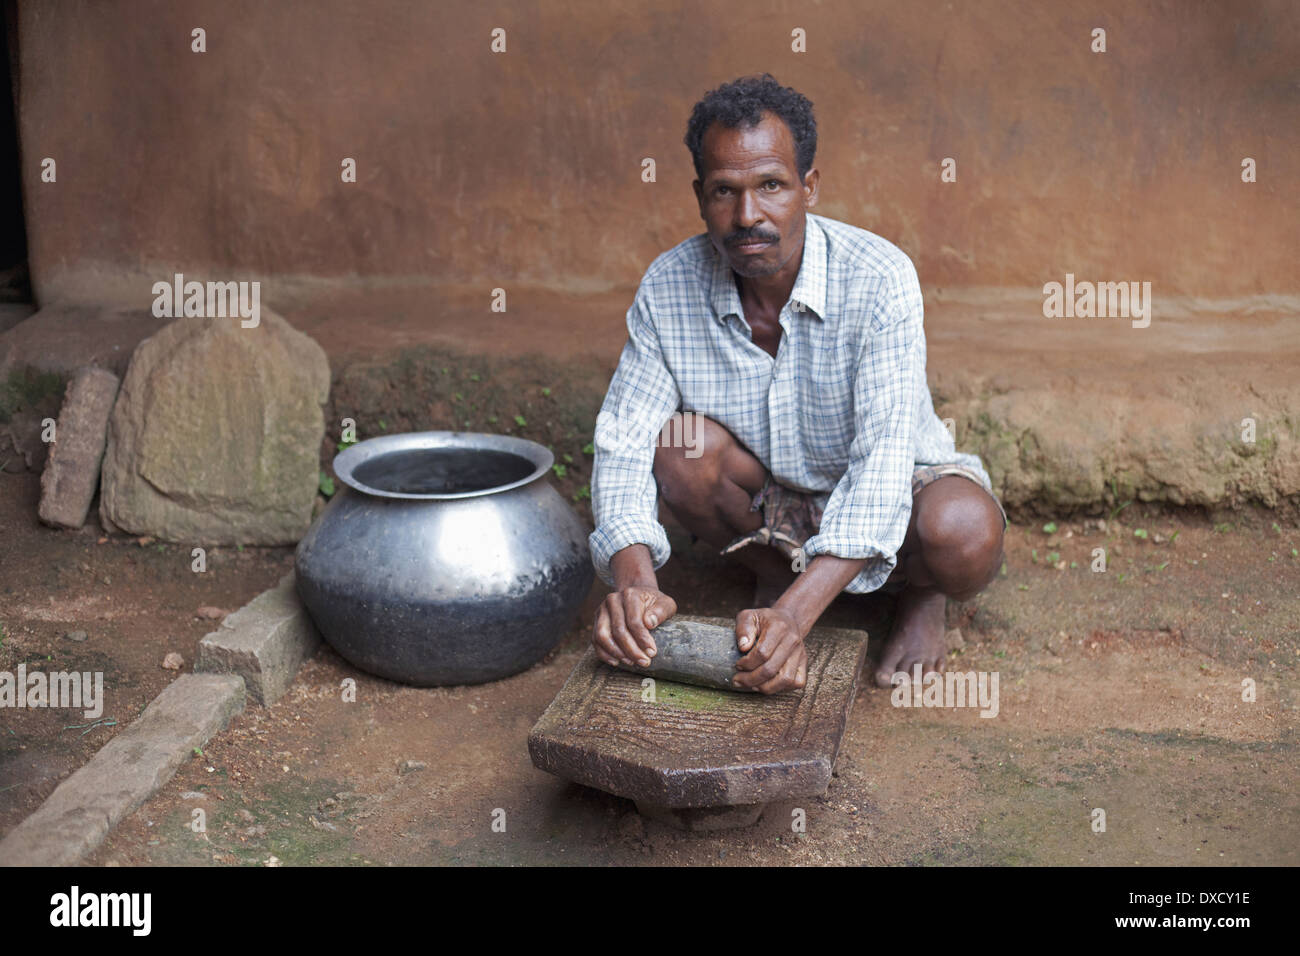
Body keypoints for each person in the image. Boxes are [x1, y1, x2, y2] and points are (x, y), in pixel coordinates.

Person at [588, 74, 1006, 695]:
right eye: (725, 192)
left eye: (771, 186)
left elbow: (882, 465)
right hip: (771, 493)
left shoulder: (879, 278)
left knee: (965, 530)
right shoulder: (668, 286)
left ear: (808, 187)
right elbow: (625, 441)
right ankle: (772, 571)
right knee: (680, 446)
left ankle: (920, 598)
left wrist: (793, 621)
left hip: (891, 488)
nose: (748, 215)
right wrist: (634, 585)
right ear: (700, 196)